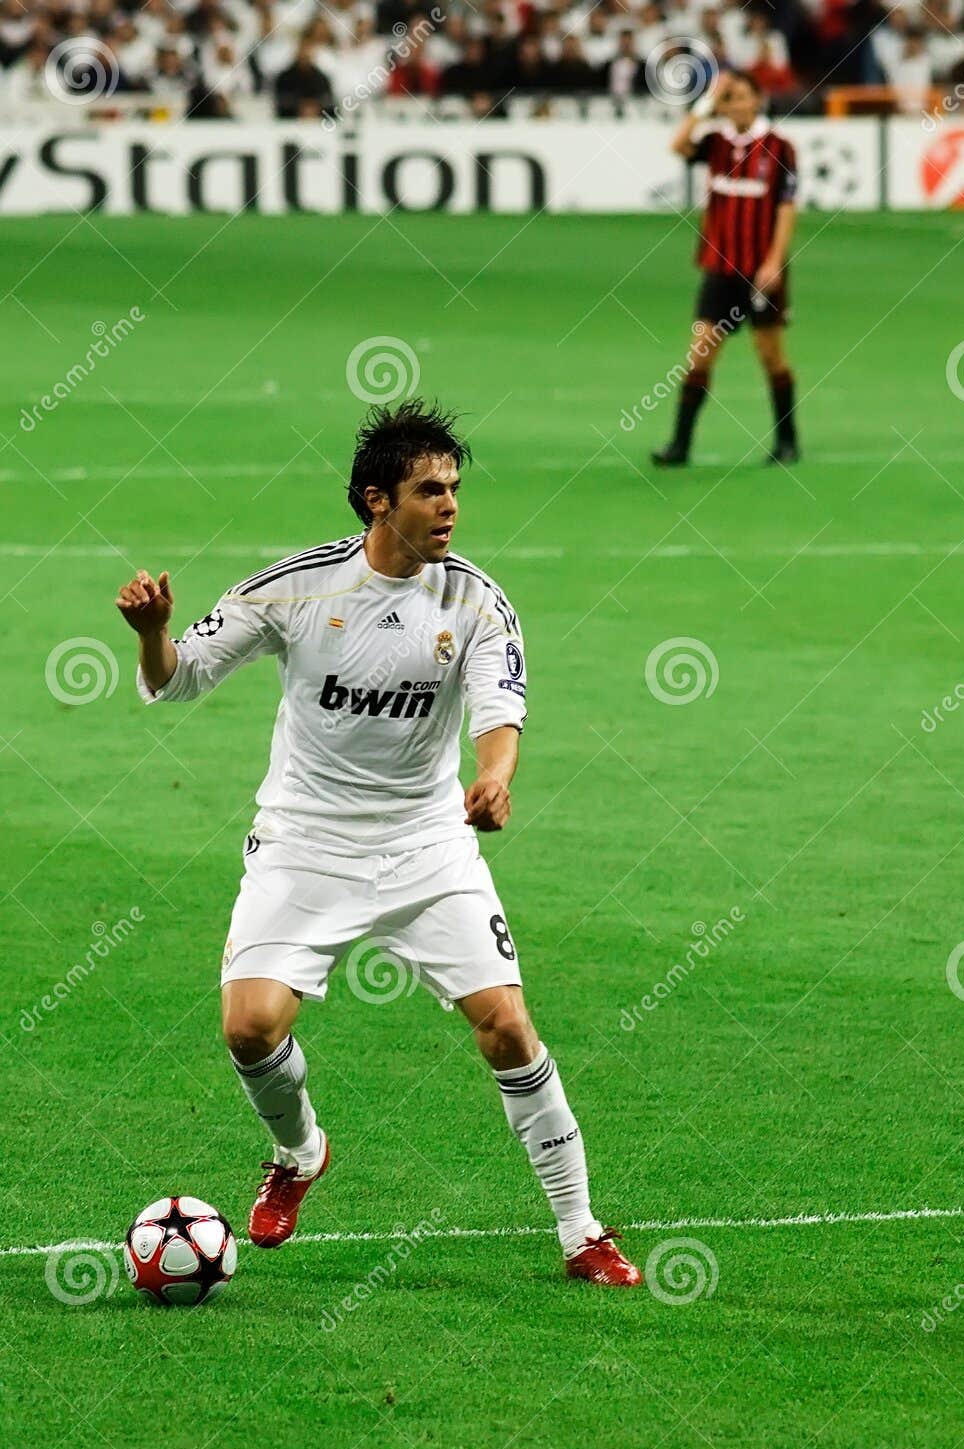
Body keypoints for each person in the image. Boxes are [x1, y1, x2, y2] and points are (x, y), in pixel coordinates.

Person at [114, 400, 641, 1290]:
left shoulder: (474, 598)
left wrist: (496, 776)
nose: (449, 507)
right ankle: (300, 1152)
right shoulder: (296, 588)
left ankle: (581, 1231)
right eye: (429, 490)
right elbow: (178, 683)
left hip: (426, 846)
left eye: (455, 489)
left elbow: (499, 708)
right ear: (375, 501)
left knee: (508, 1027)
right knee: (249, 1028)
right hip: (304, 843)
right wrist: (152, 635)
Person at [652, 69, 800, 468]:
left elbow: (787, 207)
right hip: (719, 268)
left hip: (760, 271)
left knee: (770, 355)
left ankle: (787, 440)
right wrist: (704, 106)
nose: (734, 104)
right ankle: (680, 444)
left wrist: (774, 262)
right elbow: (678, 143)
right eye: (728, 99)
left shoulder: (779, 147)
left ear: (757, 100)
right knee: (700, 354)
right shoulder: (716, 143)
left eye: (740, 97)